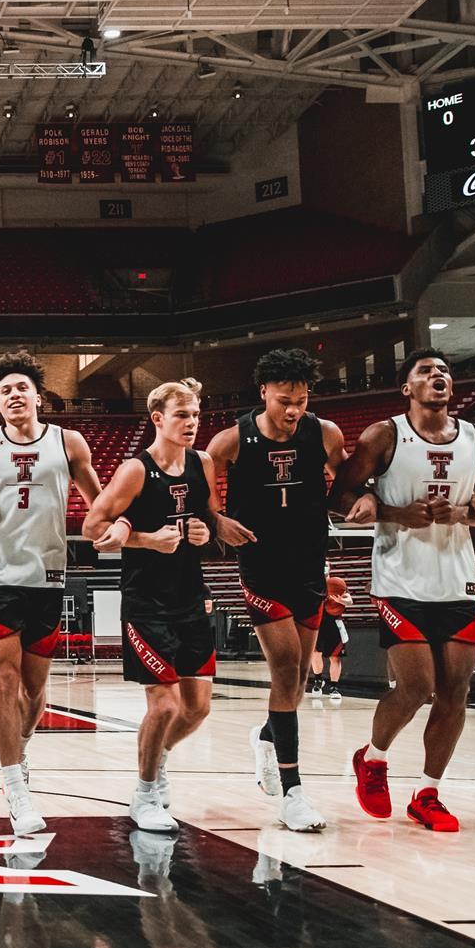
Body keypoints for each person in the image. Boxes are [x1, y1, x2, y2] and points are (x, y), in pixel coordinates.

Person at [332, 349, 475, 833]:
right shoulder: (384, 435)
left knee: (456, 691)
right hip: (399, 579)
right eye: (426, 371)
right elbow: (338, 496)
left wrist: (472, 512)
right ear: (407, 388)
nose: (438, 376)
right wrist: (386, 509)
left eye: (444, 371)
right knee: (416, 687)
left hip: (456, 579)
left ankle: (428, 793)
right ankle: (373, 757)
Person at [206, 348, 344, 832]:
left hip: (309, 564)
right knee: (286, 668)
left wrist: (363, 500)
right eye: (284, 400)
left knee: (298, 682)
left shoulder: (324, 433)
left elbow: (346, 486)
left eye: (301, 401)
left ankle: (267, 737)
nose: (293, 410)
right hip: (261, 568)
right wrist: (216, 519)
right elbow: (203, 483)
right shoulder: (231, 440)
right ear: (263, 392)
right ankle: (293, 792)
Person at [0, 350, 101, 837]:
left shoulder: (69, 441)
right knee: (3, 679)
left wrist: (113, 525)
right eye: (5, 391)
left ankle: (18, 750)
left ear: (38, 397)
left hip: (48, 573)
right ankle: (14, 786)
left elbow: (97, 502)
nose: (14, 395)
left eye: (22, 388)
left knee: (34, 688)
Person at [82, 379, 217, 836]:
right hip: (146, 601)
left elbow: (210, 518)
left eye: (196, 415)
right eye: (182, 415)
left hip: (191, 597)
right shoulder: (135, 471)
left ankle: (156, 761)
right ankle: (144, 792)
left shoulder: (204, 463)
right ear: (158, 419)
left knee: (197, 709)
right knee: (162, 708)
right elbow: (91, 525)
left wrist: (205, 532)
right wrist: (143, 539)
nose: (192, 424)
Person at [307, 562, 349, 701]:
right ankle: (318, 681)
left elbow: (350, 600)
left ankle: (334, 687)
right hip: (316, 622)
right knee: (315, 653)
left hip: (333, 623)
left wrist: (342, 601)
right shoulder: (311, 584)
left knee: (335, 657)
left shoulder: (337, 584)